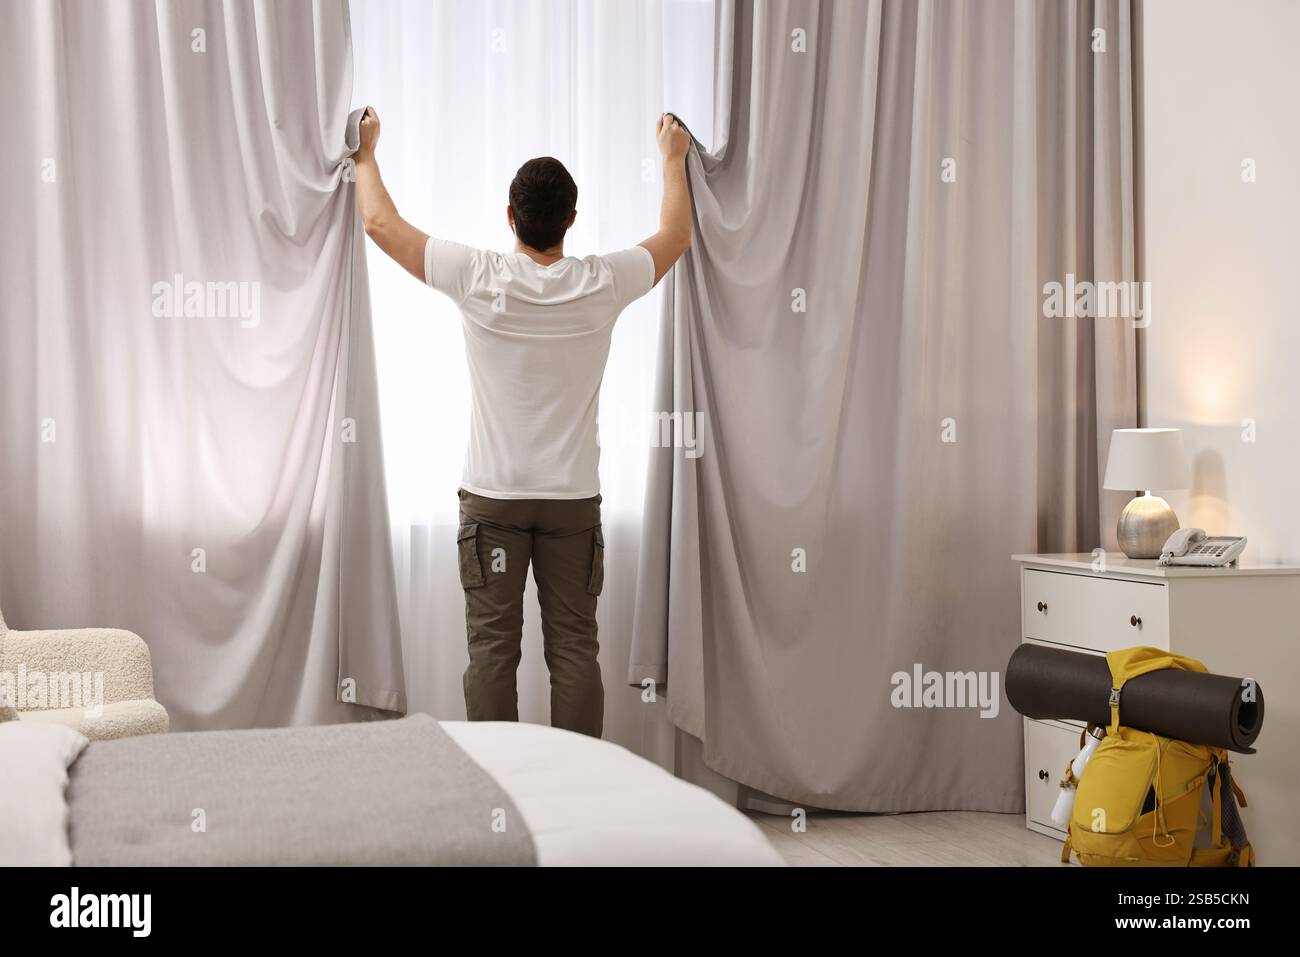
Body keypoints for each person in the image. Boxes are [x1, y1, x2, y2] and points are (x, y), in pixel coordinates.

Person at [353, 106, 693, 737]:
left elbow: (378, 221)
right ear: (571, 219)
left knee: (491, 654)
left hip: (494, 505)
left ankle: (500, 798)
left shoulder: (478, 276)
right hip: (569, 505)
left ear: (510, 217)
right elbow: (675, 237)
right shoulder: (601, 282)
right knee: (573, 652)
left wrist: (367, 151)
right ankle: (576, 797)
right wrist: (672, 158)